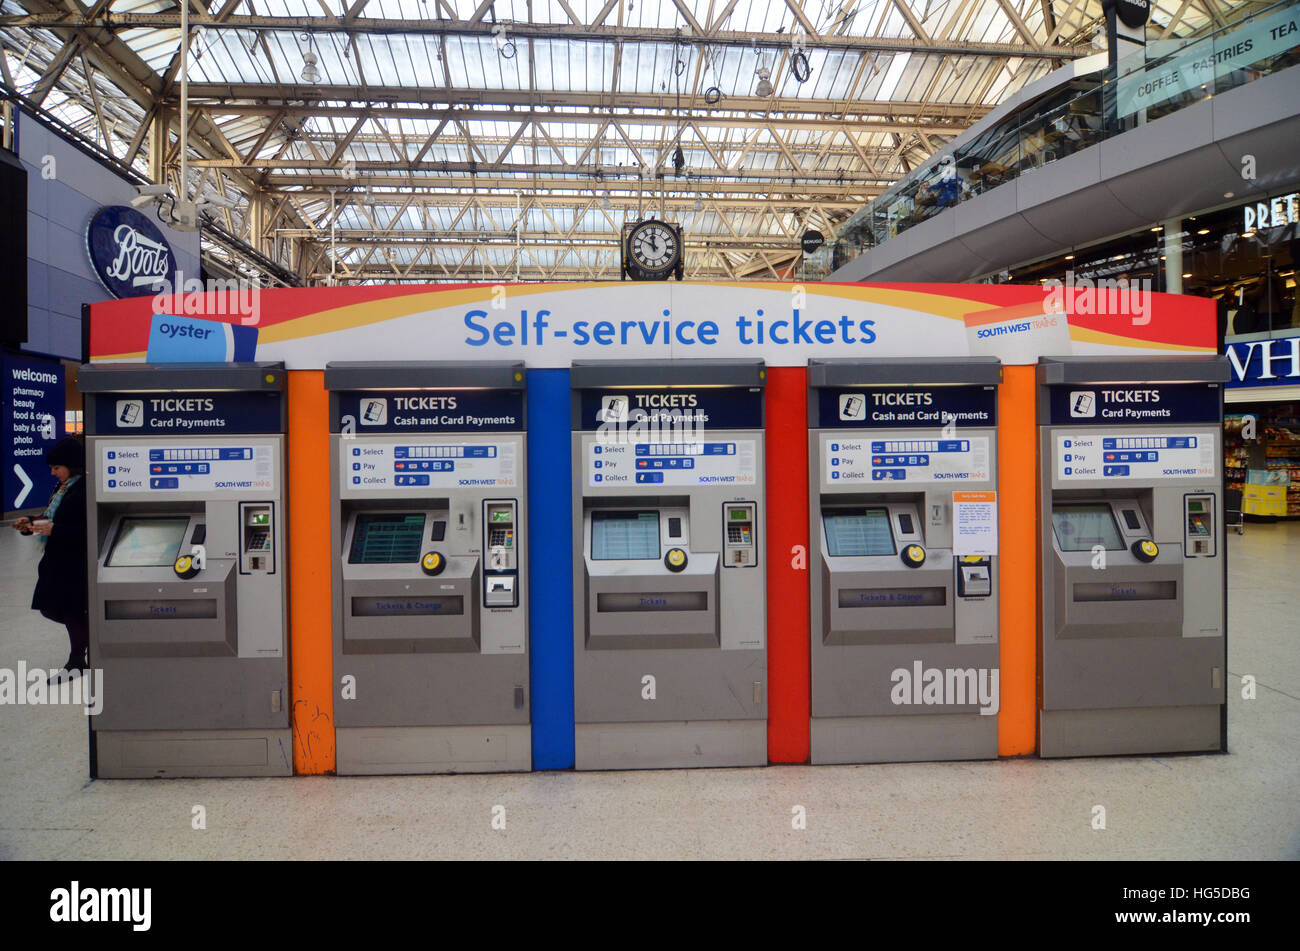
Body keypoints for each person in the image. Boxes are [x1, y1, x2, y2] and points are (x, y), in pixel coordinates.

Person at [13, 436, 89, 678]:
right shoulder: (64, 488)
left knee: (69, 611)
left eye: (57, 467)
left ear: (71, 465)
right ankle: (92, 643)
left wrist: (55, 530)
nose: (53, 472)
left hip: (73, 563)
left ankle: (78, 658)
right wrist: (31, 524)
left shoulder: (83, 490)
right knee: (52, 608)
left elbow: (88, 529)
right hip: (57, 561)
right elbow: (53, 518)